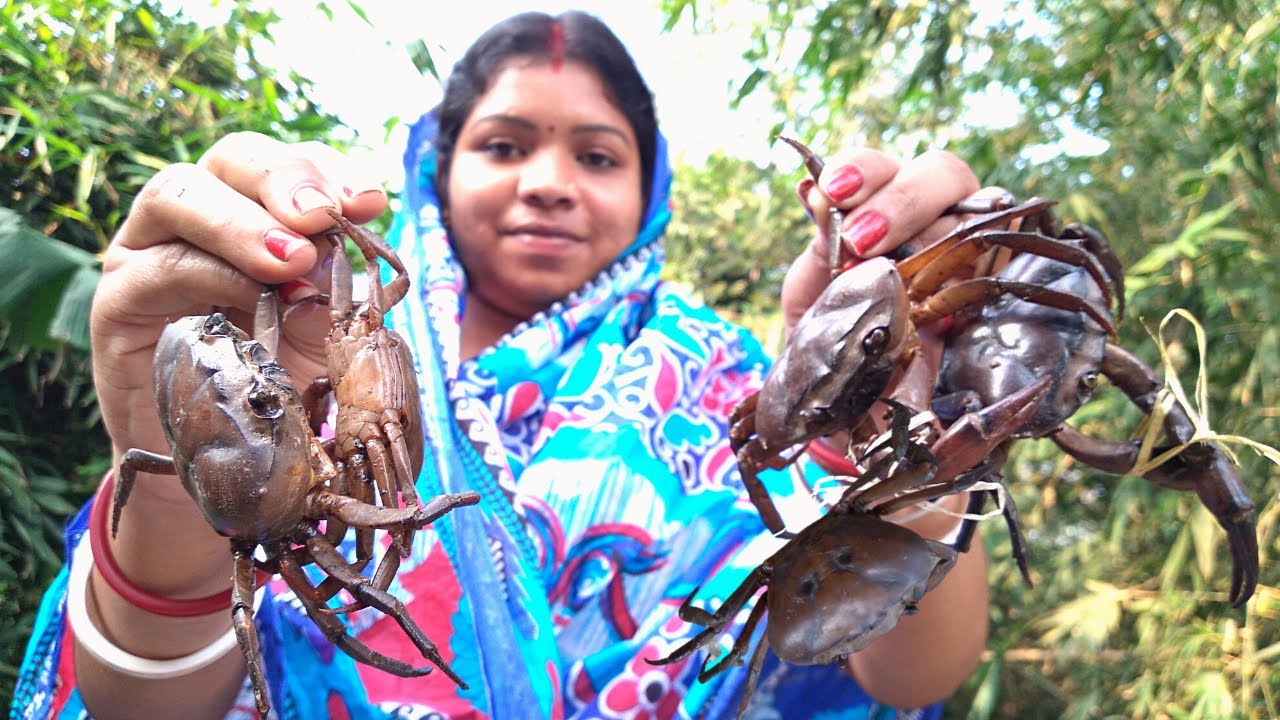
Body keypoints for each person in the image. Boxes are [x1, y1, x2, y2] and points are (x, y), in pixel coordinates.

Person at [13, 10, 995, 720]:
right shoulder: (300, 337)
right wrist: (180, 491)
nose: (547, 184)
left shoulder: (743, 386)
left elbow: (908, 678)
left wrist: (905, 430)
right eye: (502, 143)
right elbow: (142, 705)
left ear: (650, 189)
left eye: (598, 157)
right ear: (435, 168)